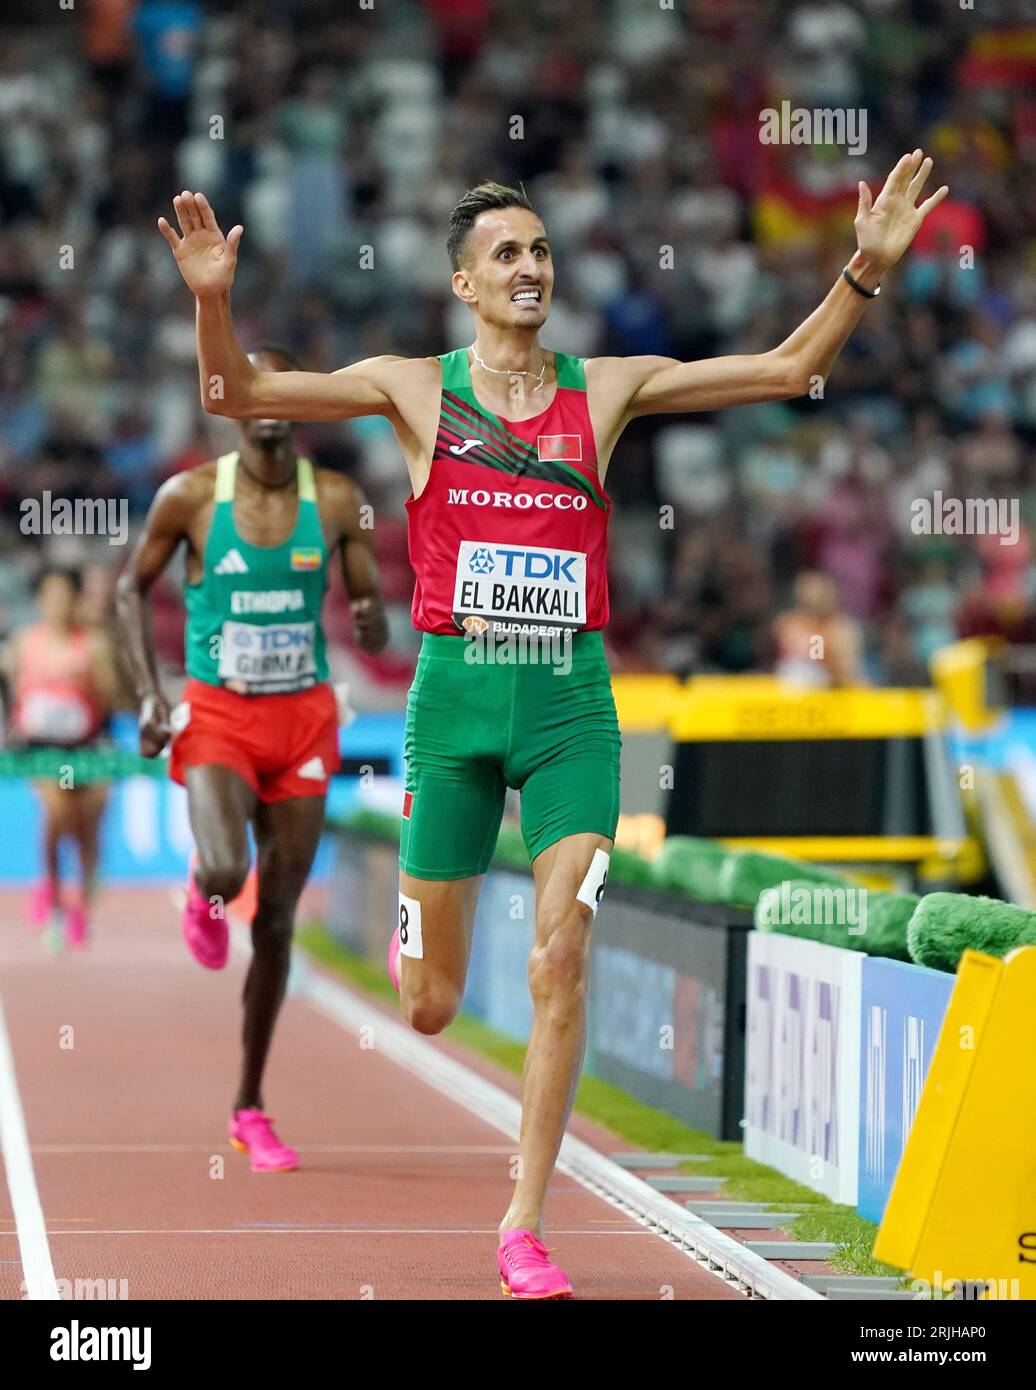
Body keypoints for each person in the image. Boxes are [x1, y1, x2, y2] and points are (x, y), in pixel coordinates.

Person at [157, 149, 947, 1294]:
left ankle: (522, 1222)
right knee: (429, 1005)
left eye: (540, 249)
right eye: (506, 255)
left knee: (561, 953)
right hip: (457, 699)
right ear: (465, 287)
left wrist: (861, 275)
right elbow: (237, 398)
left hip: (573, 707)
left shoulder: (607, 386)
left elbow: (783, 370)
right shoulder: (414, 387)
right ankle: (418, 936)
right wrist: (214, 301)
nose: (531, 267)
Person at [115, 349, 388, 1172]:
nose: (267, 408)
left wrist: (373, 620)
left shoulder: (336, 500)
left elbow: (367, 594)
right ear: (231, 409)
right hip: (221, 714)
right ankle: (203, 889)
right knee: (234, 872)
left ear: (297, 405)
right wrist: (147, 696)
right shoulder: (192, 497)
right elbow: (131, 588)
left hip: (303, 719)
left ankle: (249, 1106)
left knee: (276, 926)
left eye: (281, 391)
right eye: (251, 392)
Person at [3, 565, 119, 947]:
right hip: (43, 749)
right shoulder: (25, 642)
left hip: (86, 749)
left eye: (64, 596)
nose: (56, 604)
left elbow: (110, 698)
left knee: (87, 829)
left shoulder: (93, 643)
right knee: (56, 815)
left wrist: (80, 682)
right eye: (49, 596)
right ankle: (52, 892)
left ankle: (80, 906)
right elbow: (12, 688)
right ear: (40, 600)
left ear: (75, 599)